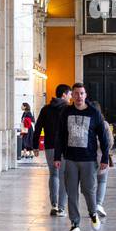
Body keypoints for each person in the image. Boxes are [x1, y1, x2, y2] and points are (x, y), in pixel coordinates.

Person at [53, 84, 111, 231]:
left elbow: (103, 137)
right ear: (72, 95)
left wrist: (105, 156)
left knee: (88, 190)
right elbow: (60, 135)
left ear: (86, 95)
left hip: (89, 160)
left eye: (82, 93)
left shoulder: (94, 113)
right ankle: (75, 224)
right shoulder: (66, 112)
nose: (79, 97)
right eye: (76, 94)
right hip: (70, 158)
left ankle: (93, 213)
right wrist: (57, 156)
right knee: (71, 192)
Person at [33, 85, 71, 215]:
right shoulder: (68, 109)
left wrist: (35, 145)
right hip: (65, 146)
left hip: (49, 146)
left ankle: (54, 205)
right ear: (64, 95)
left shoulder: (46, 109)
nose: (71, 97)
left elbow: (37, 127)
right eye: (70, 94)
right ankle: (61, 207)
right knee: (63, 176)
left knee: (54, 174)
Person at [90, 100, 113, 215]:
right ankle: (99, 204)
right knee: (102, 181)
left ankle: (92, 206)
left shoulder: (88, 122)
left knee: (90, 183)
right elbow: (110, 141)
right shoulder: (104, 124)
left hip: (88, 157)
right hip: (102, 156)